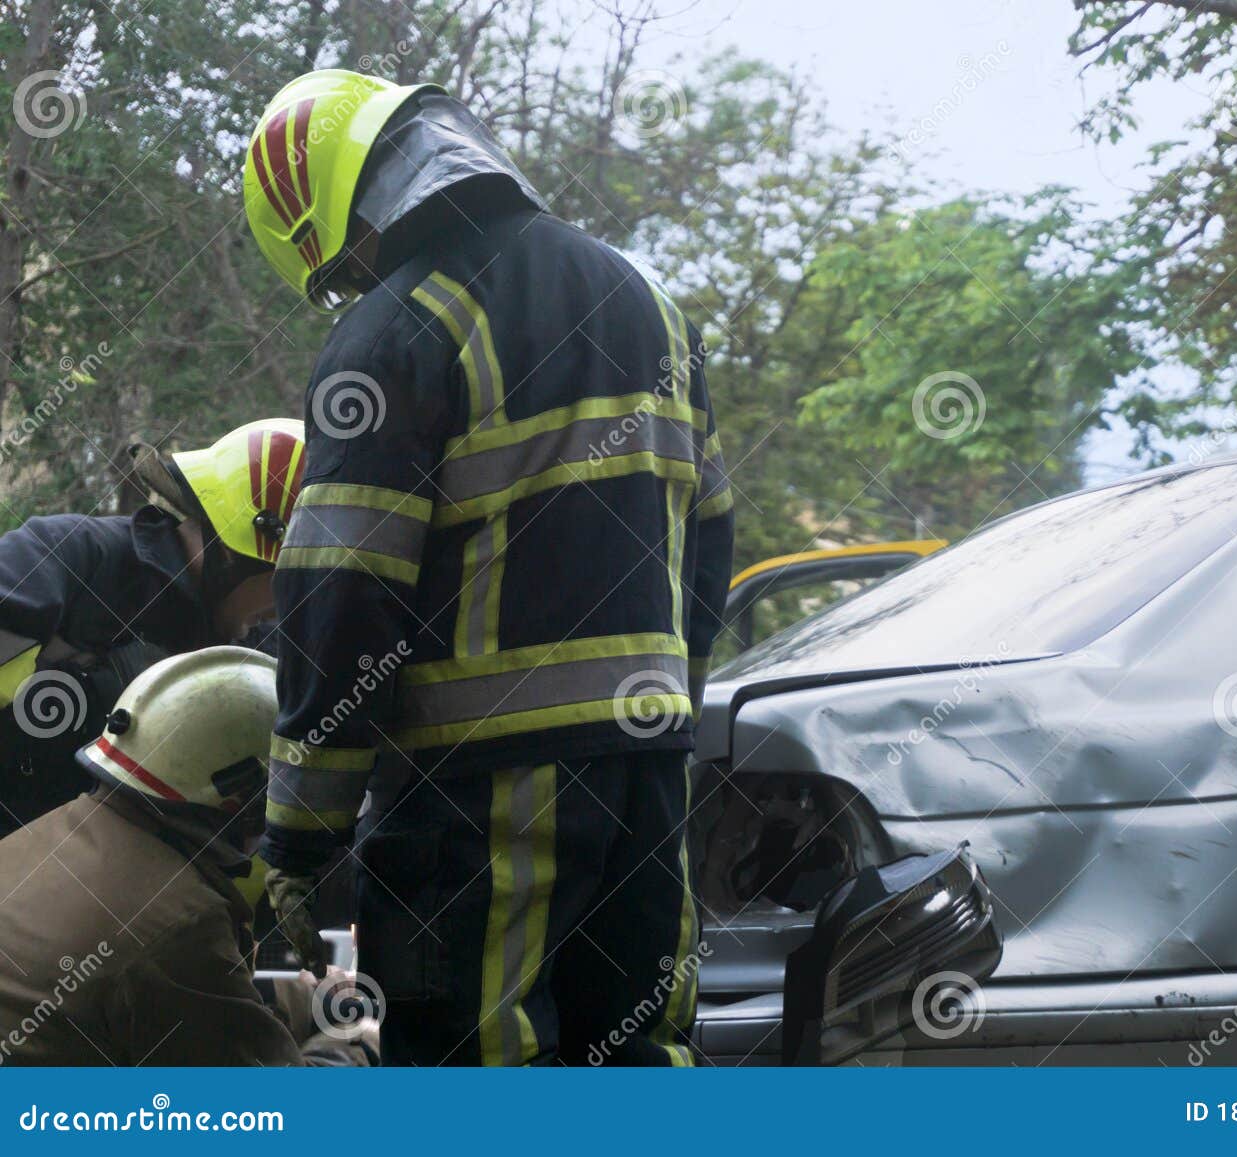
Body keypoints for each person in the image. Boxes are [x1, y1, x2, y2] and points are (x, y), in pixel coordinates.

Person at [243, 70, 734, 1065]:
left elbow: (341, 597)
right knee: (644, 1047)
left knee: (476, 1057)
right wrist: (655, 712)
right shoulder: (649, 306)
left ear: (348, 210)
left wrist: (298, 839)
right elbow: (709, 540)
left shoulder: (397, 331)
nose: (354, 286)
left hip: (478, 799)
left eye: (343, 267)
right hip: (645, 777)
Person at [0, 646, 371, 1065]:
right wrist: (355, 1040)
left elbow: (191, 1000)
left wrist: (305, 995)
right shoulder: (180, 922)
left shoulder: (49, 833)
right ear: (242, 801)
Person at [0, 419, 306, 836]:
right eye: (292, 583)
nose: (290, 607)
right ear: (244, 550)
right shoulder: (72, 556)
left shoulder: (261, 655)